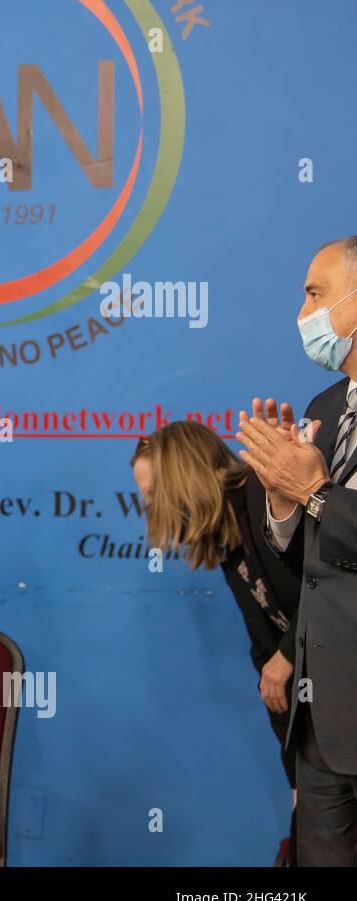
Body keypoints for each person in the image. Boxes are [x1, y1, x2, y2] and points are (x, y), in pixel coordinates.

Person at [238, 236, 357, 866]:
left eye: (315, 293)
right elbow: (304, 561)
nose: (301, 312)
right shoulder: (324, 408)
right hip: (322, 719)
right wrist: (283, 503)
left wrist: (312, 491)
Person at [130, 421, 300, 859]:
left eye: (152, 499)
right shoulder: (228, 542)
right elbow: (267, 664)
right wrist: (299, 783)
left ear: (182, 482)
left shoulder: (265, 497)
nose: (150, 514)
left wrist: (287, 655)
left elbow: (335, 586)